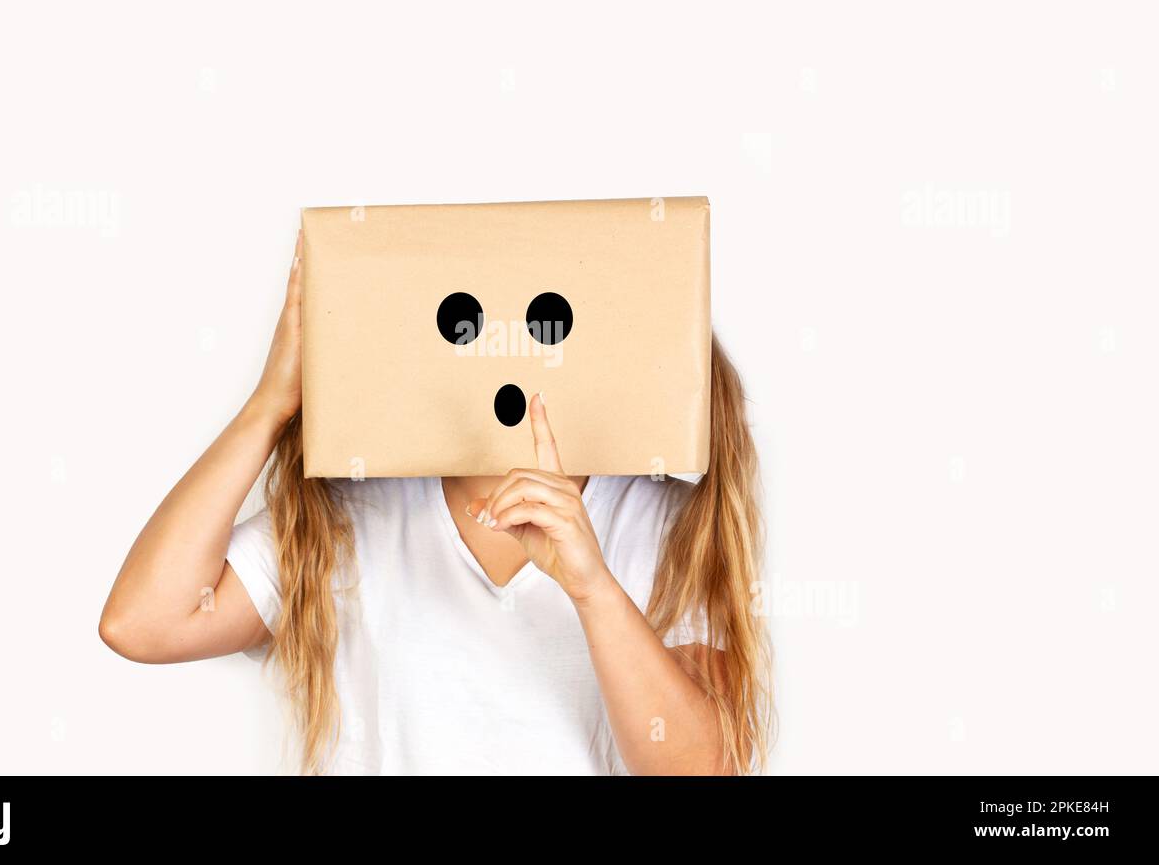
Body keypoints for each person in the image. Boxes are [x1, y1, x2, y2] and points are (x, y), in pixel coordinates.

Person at [99, 237, 771, 774]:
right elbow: (143, 623)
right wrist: (270, 404)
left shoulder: (670, 523)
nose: (509, 355)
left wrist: (592, 589)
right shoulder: (352, 514)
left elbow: (703, 768)